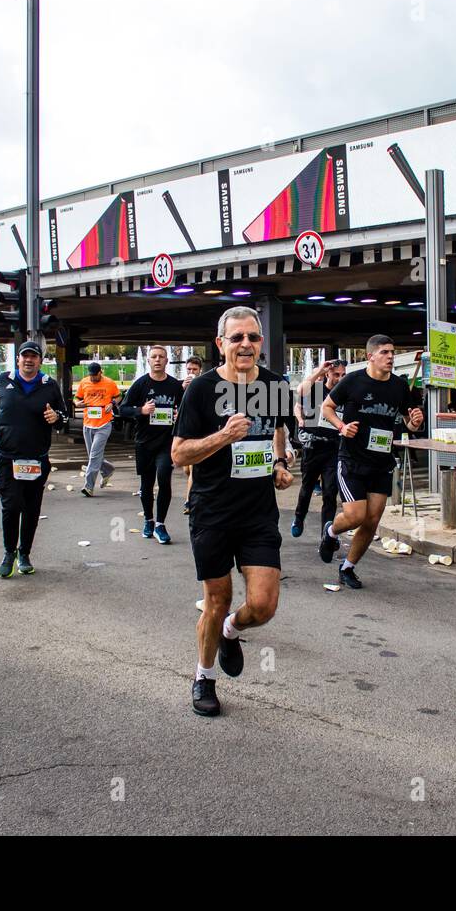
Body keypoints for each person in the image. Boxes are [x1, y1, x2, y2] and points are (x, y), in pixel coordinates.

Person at [173, 306, 293, 717]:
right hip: (213, 510)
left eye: (253, 337)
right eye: (237, 337)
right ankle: (203, 676)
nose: (246, 344)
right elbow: (179, 453)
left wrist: (279, 465)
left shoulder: (274, 385)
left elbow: (277, 431)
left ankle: (231, 631)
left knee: (263, 606)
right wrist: (223, 436)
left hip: (258, 513)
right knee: (216, 598)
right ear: (220, 343)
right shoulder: (202, 390)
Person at [319, 335, 425, 589]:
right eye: (385, 352)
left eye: (392, 352)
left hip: (382, 461)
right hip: (353, 460)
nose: (390, 357)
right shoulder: (353, 381)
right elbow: (327, 407)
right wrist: (342, 427)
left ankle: (348, 567)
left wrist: (414, 423)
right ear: (371, 356)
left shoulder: (399, 386)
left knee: (372, 519)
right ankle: (331, 532)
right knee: (356, 516)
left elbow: (408, 423)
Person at [0, 341, 64, 578]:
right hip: (8, 457)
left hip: (36, 458)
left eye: (33, 357)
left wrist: (55, 417)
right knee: (10, 506)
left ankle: (24, 553)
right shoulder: (3, 381)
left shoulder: (49, 386)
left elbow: (63, 416)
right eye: (24, 356)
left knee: (31, 508)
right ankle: (9, 553)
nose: (29, 360)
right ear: (18, 359)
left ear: (40, 361)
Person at [118, 345, 185, 544]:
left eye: (161, 357)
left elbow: (183, 409)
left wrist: (177, 414)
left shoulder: (174, 385)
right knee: (146, 484)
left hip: (166, 443)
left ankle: (160, 524)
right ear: (148, 361)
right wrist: (142, 410)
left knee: (164, 478)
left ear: (167, 361)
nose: (157, 360)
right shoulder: (140, 384)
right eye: (154, 356)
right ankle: (148, 519)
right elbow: (123, 409)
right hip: (144, 442)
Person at [291, 358, 344, 539]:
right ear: (328, 374)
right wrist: (319, 371)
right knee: (307, 487)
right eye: (336, 374)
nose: (339, 379)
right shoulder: (318, 390)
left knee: (330, 492)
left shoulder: (345, 393)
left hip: (333, 447)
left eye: (343, 375)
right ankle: (299, 518)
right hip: (313, 446)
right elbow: (300, 390)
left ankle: (326, 535)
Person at [74, 361, 119, 497]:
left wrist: (112, 404)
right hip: (88, 424)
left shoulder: (109, 383)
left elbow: (118, 396)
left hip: (104, 424)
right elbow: (77, 397)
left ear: (100, 372)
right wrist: (77, 403)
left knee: (94, 455)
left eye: (95, 375)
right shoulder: (84, 382)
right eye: (91, 376)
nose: (93, 378)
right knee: (93, 456)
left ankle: (88, 487)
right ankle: (108, 469)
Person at [181, 355, 204, 516]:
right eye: (189, 369)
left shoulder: (203, 385)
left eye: (194, 370)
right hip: (184, 432)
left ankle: (189, 501)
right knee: (187, 470)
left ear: (200, 371)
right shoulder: (180, 386)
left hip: (200, 431)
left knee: (194, 469)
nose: (191, 372)